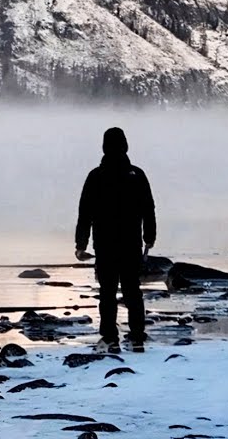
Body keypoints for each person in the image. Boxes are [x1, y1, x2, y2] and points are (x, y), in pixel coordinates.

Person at [74, 127, 157, 352]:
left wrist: (81, 244)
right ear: (125, 146)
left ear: (104, 148)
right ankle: (137, 337)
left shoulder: (96, 176)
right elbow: (148, 208)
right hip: (131, 243)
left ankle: (110, 337)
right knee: (132, 291)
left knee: (107, 292)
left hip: (105, 244)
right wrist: (149, 237)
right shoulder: (137, 175)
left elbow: (85, 213)